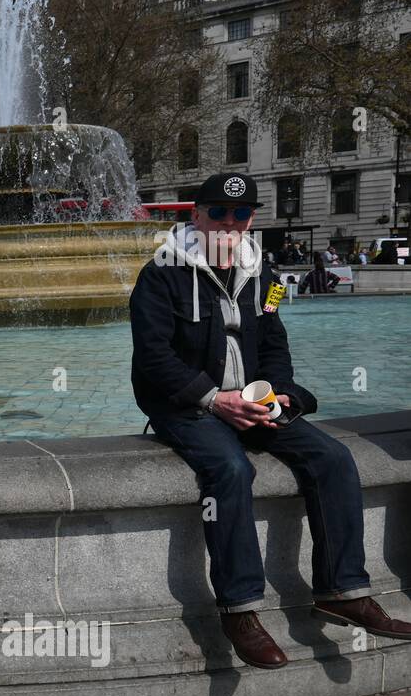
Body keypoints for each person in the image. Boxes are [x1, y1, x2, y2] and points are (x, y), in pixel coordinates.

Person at [129, 172, 411, 670]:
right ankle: (239, 610)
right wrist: (215, 400)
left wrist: (277, 393)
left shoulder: (267, 276)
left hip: (256, 402)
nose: (230, 224)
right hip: (188, 406)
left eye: (241, 215)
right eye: (219, 213)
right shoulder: (160, 274)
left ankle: (342, 590)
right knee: (232, 470)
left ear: (251, 219)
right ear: (196, 216)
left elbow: (275, 342)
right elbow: (153, 358)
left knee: (333, 457)